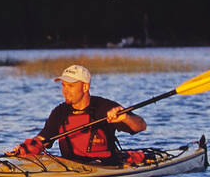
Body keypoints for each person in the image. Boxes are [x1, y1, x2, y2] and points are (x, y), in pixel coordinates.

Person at [8, 63, 146, 163]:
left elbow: (141, 126)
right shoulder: (59, 112)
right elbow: (42, 139)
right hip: (72, 168)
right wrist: (24, 149)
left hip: (104, 176)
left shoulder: (104, 107)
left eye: (71, 86)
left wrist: (126, 118)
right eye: (63, 85)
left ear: (85, 87)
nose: (65, 90)